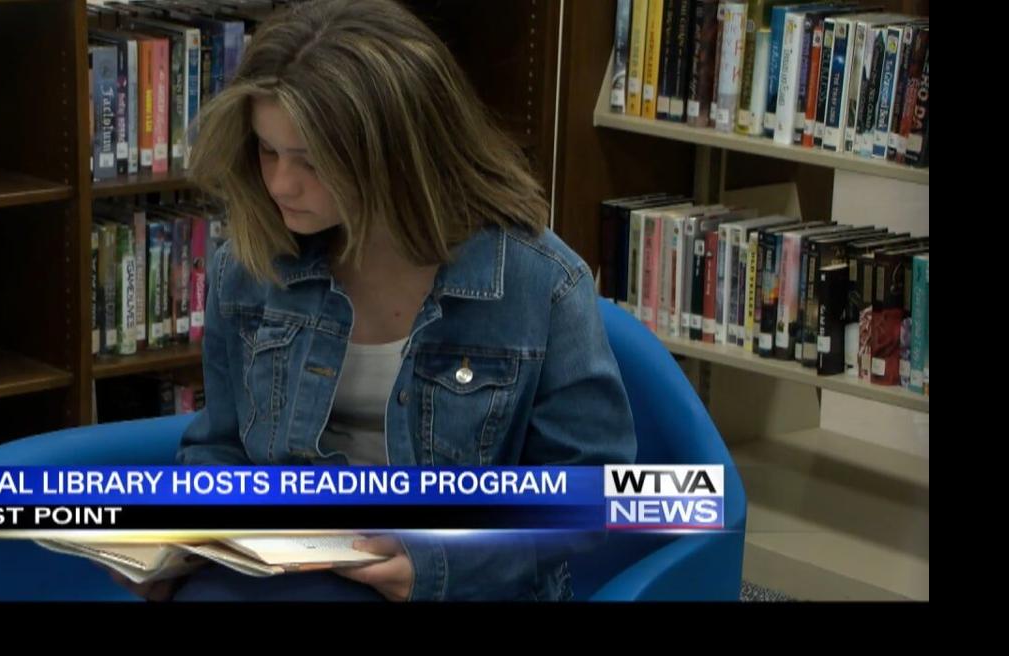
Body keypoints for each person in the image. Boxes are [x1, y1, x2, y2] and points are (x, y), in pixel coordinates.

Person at [121, 0, 636, 602]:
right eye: (267, 151)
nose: (281, 184)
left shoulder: (539, 283)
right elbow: (220, 446)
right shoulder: (249, 264)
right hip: (290, 579)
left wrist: (438, 562)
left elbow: (591, 495)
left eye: (311, 160)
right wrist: (183, 535)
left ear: (398, 155)